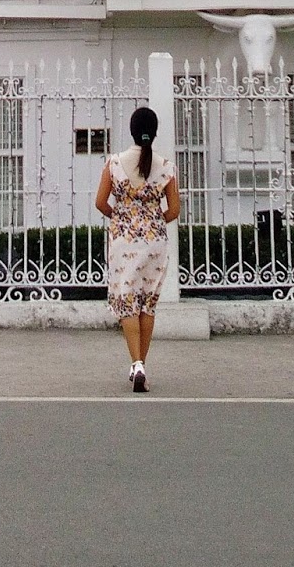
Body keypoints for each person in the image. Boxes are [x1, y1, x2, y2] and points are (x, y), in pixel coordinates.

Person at [95, 105, 180, 392]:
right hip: (155, 241)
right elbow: (174, 210)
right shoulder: (166, 166)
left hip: (123, 241)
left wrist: (121, 218)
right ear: (154, 133)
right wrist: (152, 220)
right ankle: (141, 362)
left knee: (126, 300)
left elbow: (100, 202)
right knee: (148, 302)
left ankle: (136, 364)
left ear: (131, 130)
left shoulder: (115, 163)